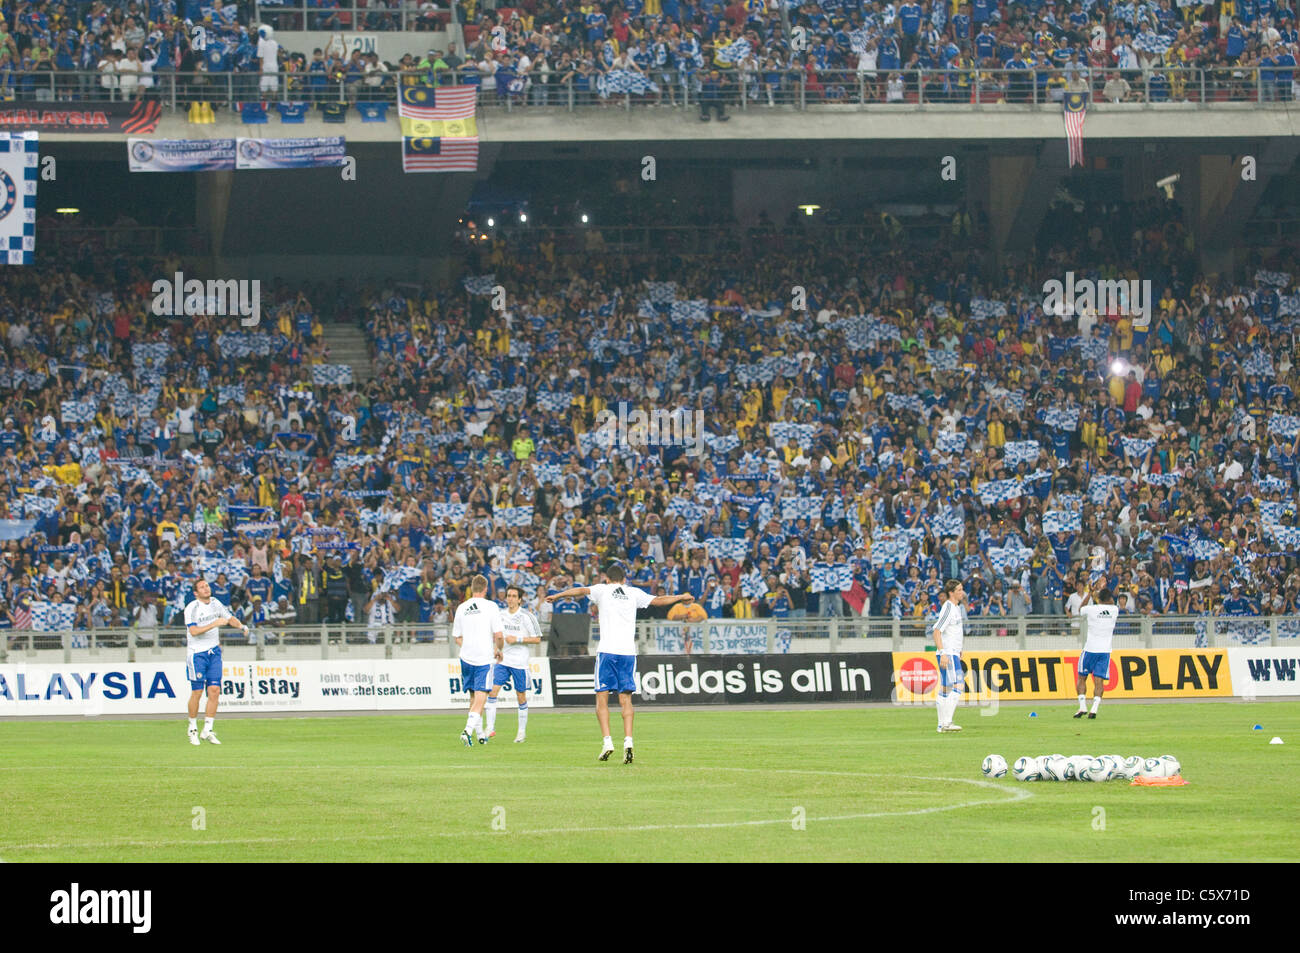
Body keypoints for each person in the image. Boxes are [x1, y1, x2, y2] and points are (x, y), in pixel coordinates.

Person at [546, 563, 694, 763]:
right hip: (627, 653)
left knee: (602, 699)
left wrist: (558, 595)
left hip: (607, 651)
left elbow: (581, 590)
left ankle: (607, 742)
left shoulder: (602, 590)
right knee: (626, 700)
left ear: (607, 579)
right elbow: (659, 601)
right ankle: (629, 741)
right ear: (624, 580)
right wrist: (681, 597)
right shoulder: (633, 592)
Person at [183, 577, 248, 746]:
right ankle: (192, 729)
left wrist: (241, 626)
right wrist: (213, 624)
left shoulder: (215, 603)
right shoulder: (192, 608)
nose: (206, 589)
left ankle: (208, 729)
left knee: (214, 690)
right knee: (197, 692)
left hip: (214, 652)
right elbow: (194, 631)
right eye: (202, 587)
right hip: (197, 654)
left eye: (207, 586)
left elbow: (229, 617)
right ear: (196, 593)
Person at [485, 584, 543, 743]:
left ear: (519, 599)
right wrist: (497, 648)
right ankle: (490, 728)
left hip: (520, 662)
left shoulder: (527, 616)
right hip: (503, 660)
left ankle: (521, 732)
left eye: (513, 596)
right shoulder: (500, 615)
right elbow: (498, 636)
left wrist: (517, 639)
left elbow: (537, 638)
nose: (510, 598)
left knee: (521, 696)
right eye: (508, 595)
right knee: (492, 691)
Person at [453, 573, 505, 747]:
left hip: (466, 657)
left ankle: (480, 734)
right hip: (484, 658)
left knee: (473, 697)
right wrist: (499, 649)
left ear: (472, 588)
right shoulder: (491, 606)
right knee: (482, 696)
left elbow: (457, 637)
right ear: (485, 589)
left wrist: (467, 646)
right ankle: (467, 731)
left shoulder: (462, 607)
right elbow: (498, 635)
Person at [1074, 583, 1118, 719]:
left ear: (1098, 599)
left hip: (1090, 649)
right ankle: (1094, 709)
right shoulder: (1115, 610)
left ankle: (1082, 706)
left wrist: (1090, 593)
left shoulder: (1092, 609)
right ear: (1110, 599)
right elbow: (1109, 603)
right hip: (1104, 652)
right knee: (1099, 682)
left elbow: (1080, 609)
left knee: (1082, 678)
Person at [932, 578, 966, 733]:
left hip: (953, 652)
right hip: (948, 653)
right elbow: (937, 630)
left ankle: (941, 725)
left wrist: (959, 649)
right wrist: (944, 652)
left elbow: (953, 632)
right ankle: (947, 722)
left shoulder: (956, 608)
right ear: (951, 593)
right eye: (959, 590)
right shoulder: (948, 607)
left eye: (962, 589)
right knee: (958, 685)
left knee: (945, 688)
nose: (962, 592)